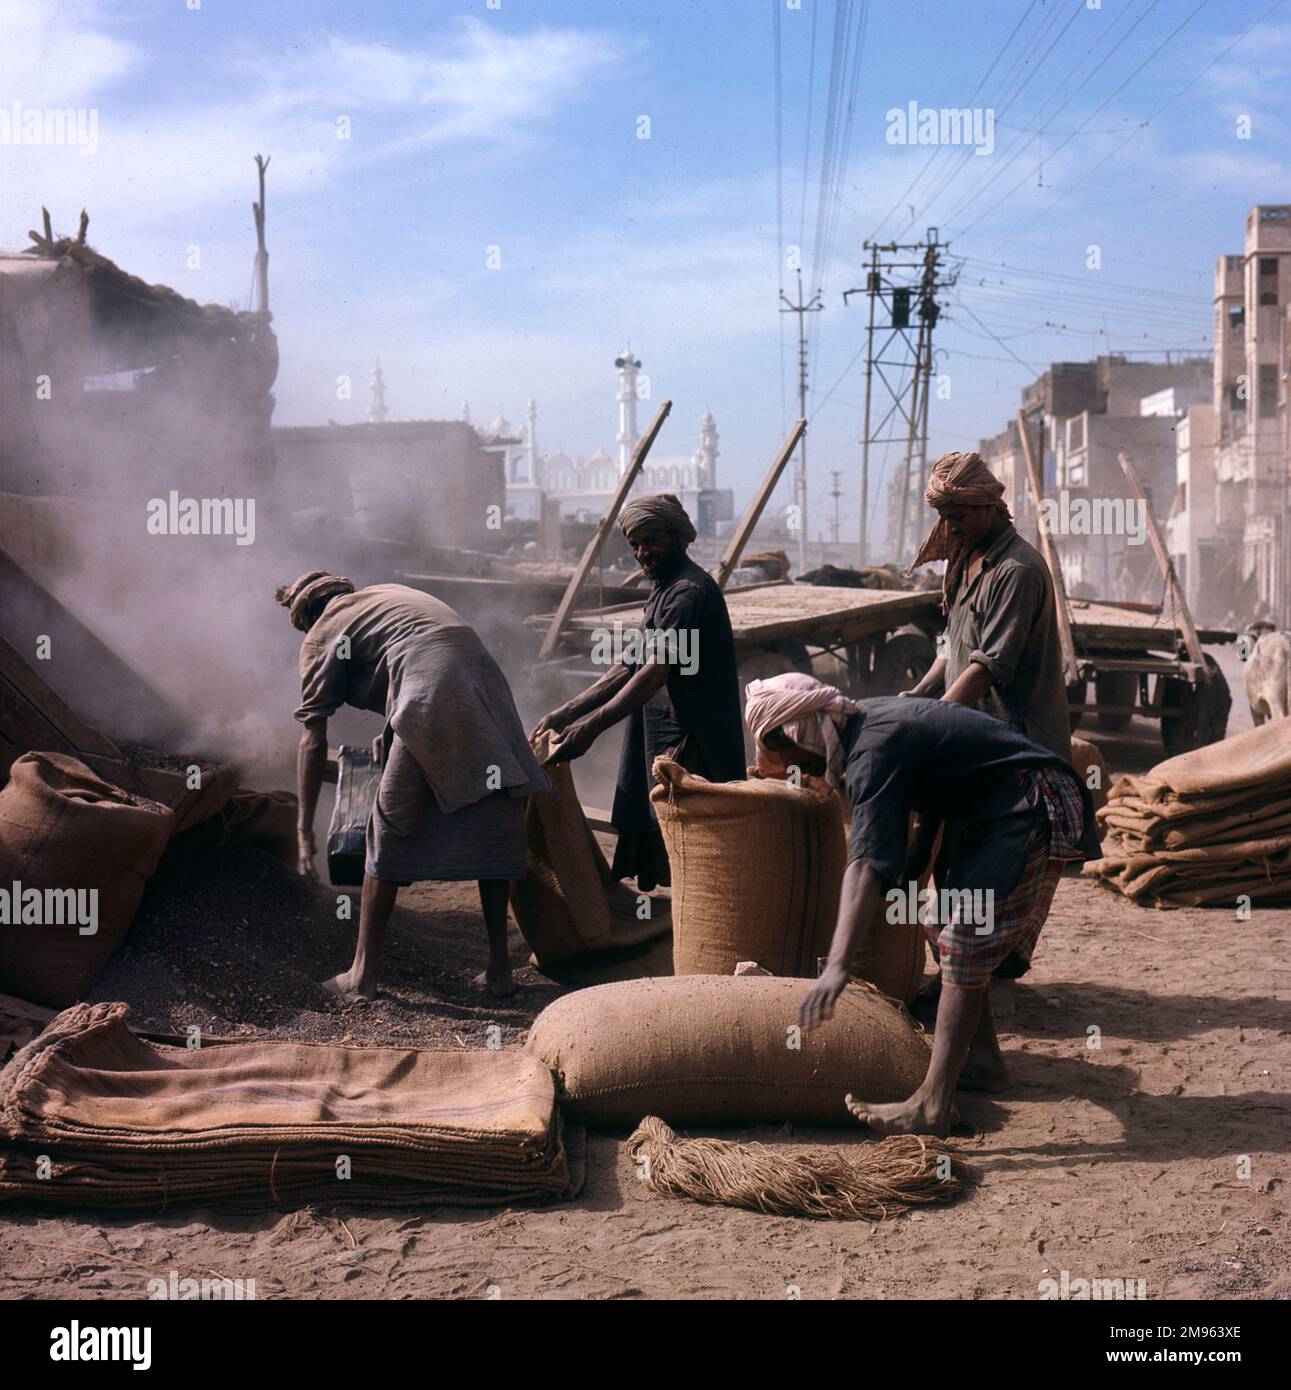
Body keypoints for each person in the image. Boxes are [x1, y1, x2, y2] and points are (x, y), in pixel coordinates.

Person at [744, 672, 1100, 1137]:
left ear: (799, 732)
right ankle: (984, 1061)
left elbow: (865, 863)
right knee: (936, 923)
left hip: (1033, 799)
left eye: (790, 758)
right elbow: (936, 781)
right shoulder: (870, 725)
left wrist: (837, 966)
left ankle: (933, 1105)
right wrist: (913, 866)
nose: (803, 771)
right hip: (994, 807)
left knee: (964, 934)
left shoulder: (870, 749)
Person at [279, 571, 549, 1002]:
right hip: (486, 684)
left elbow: (313, 739)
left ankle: (361, 976)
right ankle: (499, 972)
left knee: (388, 825)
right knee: (492, 820)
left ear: (307, 617)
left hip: (433, 692)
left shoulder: (321, 633)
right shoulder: (387, 596)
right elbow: (416, 655)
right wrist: (394, 731)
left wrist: (301, 831)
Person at [903, 450, 1075, 1013]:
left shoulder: (1017, 571)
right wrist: (919, 695)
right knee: (950, 863)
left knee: (984, 875)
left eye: (959, 515)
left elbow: (986, 667)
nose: (948, 527)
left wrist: (931, 722)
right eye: (943, 516)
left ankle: (967, 991)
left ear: (989, 506)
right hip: (972, 741)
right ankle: (961, 983)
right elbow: (954, 648)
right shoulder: (969, 560)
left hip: (1013, 752)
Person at [533, 494, 744, 889]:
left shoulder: (689, 593)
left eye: (651, 540)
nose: (642, 551)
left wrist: (590, 729)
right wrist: (566, 713)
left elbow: (653, 673)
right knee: (671, 845)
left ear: (678, 537)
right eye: (635, 543)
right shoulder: (664, 590)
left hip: (694, 741)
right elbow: (629, 664)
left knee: (696, 849)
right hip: (665, 735)